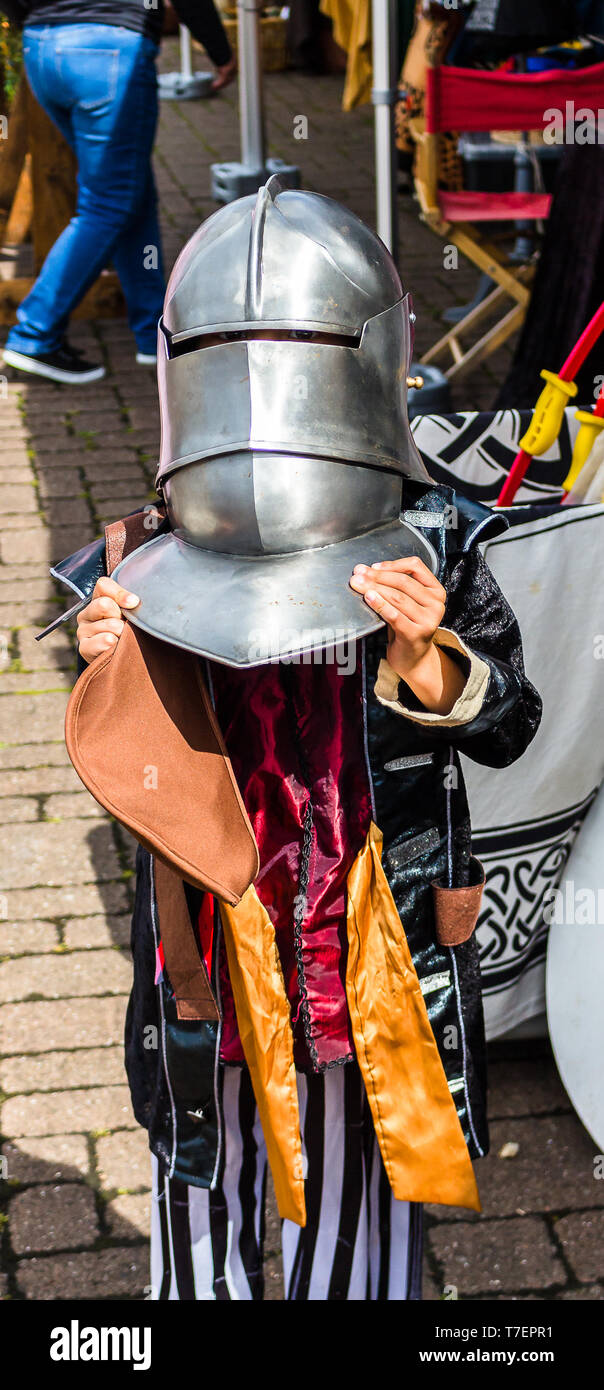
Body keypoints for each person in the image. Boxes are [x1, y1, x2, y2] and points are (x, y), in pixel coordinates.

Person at [52, 179, 541, 1300]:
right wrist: (114, 670)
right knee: (200, 1165)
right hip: (215, 953)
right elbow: (137, 778)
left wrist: (432, 664)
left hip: (363, 939)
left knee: (357, 1171)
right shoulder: (140, 557)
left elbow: (511, 723)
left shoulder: (431, 547)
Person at [1, 0, 236, 385]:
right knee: (108, 203)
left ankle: (152, 334)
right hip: (108, 51)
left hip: (43, 48)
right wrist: (220, 51)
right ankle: (33, 334)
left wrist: (38, 20)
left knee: (130, 192)